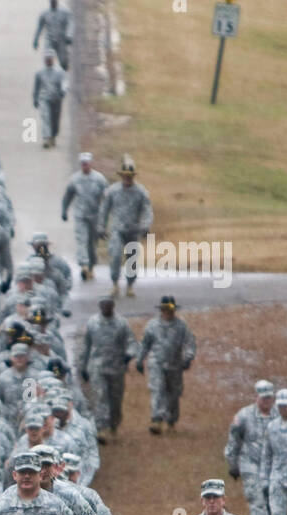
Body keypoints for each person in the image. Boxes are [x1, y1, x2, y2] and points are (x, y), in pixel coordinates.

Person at [223, 380, 276, 515]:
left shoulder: (279, 416)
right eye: (263, 398)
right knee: (257, 499)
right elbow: (234, 441)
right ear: (256, 397)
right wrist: (232, 463)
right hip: (250, 465)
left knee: (270, 504)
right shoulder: (244, 416)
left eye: (269, 398)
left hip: (272, 468)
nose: (266, 401)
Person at [78, 295, 138, 442]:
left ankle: (114, 425)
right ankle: (101, 429)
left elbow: (131, 341)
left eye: (108, 305)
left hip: (116, 367)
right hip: (97, 367)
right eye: (103, 305)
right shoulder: (93, 323)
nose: (106, 308)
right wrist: (83, 367)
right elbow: (86, 346)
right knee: (100, 397)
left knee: (115, 399)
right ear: (100, 306)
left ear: (113, 306)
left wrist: (129, 355)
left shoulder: (121, 323)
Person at [135, 296, 196, 434]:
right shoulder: (152, 325)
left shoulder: (181, 326)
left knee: (173, 395)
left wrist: (188, 358)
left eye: (171, 310)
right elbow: (145, 344)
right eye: (165, 310)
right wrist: (139, 360)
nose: (168, 312)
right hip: (156, 363)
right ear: (161, 310)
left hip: (175, 365)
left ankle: (171, 421)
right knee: (158, 390)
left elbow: (190, 343)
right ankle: (157, 420)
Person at [98, 155, 153, 296]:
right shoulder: (112, 191)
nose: (127, 179)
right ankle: (115, 284)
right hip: (117, 229)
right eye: (125, 176)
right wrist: (101, 226)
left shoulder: (141, 192)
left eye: (130, 176)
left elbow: (147, 210)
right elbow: (104, 209)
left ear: (133, 176)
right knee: (115, 255)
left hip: (134, 230)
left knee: (132, 259)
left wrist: (146, 226)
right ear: (121, 176)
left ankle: (130, 285)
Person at [62, 153, 108, 280]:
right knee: (82, 240)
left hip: (95, 215)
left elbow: (107, 198)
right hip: (80, 215)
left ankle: (91, 266)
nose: (84, 166)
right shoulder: (75, 179)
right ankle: (84, 265)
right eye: (82, 164)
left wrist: (105, 215)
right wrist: (64, 211)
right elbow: (68, 196)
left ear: (90, 164)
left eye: (86, 163)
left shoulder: (99, 179)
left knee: (92, 243)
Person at [32, 50, 66, 149]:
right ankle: (46, 138)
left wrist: (63, 91)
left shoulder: (59, 72)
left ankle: (53, 136)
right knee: (46, 117)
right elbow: (36, 87)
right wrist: (35, 98)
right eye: (46, 59)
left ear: (53, 60)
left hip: (56, 99)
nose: (48, 61)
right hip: (44, 98)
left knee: (55, 120)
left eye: (50, 59)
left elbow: (65, 83)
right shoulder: (40, 73)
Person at [34, 0, 73, 70]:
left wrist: (69, 35)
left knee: (64, 61)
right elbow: (39, 27)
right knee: (48, 56)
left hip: (61, 39)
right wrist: (36, 39)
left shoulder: (65, 12)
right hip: (49, 38)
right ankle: (49, 74)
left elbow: (71, 23)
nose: (53, 2)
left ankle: (64, 73)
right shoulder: (45, 13)